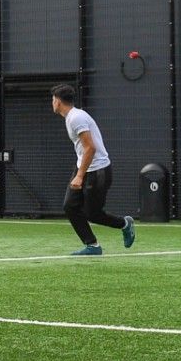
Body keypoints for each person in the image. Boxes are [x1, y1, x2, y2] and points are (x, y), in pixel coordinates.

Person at [52, 83, 135, 256]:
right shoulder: (71, 117)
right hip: (83, 167)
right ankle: (92, 246)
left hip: (98, 171)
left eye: (53, 99)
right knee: (70, 206)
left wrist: (79, 176)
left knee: (93, 214)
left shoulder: (76, 118)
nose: (52, 102)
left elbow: (90, 148)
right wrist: (79, 172)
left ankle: (125, 224)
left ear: (58, 101)